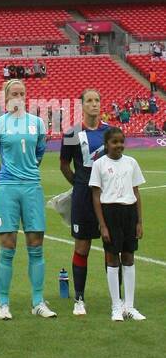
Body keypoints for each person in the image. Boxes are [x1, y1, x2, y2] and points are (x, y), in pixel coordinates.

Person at [0, 78, 56, 319]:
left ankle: (38, 302)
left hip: (32, 188)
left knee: (36, 244)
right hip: (7, 189)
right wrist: (7, 176)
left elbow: (39, 154)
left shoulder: (37, 123)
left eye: (21, 93)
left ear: (26, 96)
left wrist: (27, 174)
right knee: (7, 245)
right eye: (13, 93)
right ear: (6, 98)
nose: (17, 96)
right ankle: (3, 304)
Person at [58, 88, 110, 316]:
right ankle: (79, 298)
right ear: (82, 105)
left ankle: (116, 299)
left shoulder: (110, 132)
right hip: (83, 198)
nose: (94, 104)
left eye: (97, 100)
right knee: (82, 246)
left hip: (109, 197)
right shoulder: (71, 134)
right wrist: (79, 184)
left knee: (112, 246)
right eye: (89, 100)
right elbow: (64, 165)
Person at [89, 127, 146, 321]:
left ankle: (129, 306)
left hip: (129, 212)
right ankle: (116, 306)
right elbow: (96, 196)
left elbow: (136, 192)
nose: (118, 145)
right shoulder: (99, 164)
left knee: (129, 257)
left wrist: (139, 221)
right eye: (114, 142)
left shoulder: (131, 162)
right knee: (112, 258)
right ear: (107, 144)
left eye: (121, 141)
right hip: (110, 213)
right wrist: (102, 225)